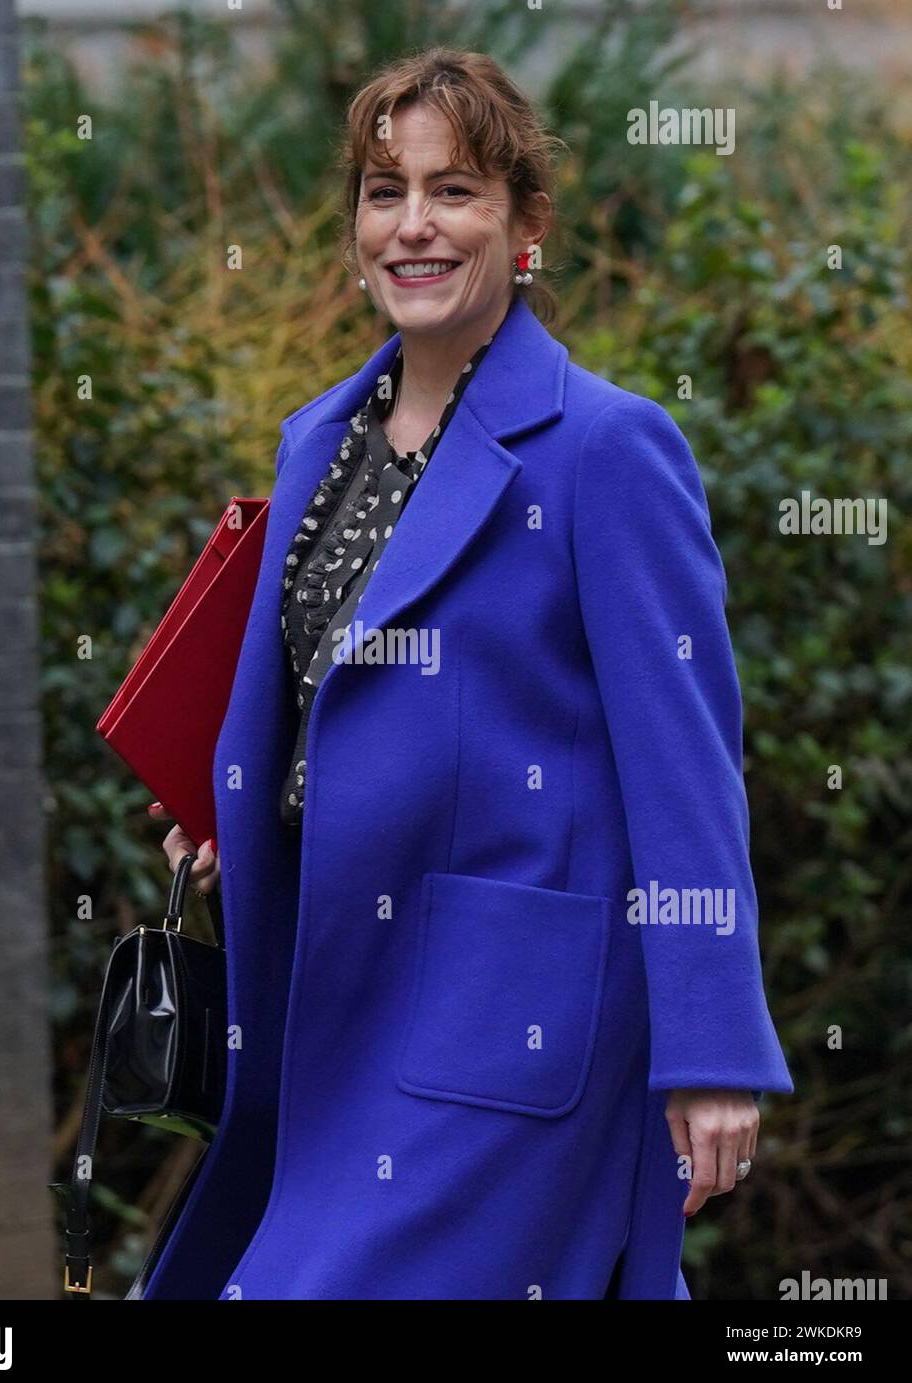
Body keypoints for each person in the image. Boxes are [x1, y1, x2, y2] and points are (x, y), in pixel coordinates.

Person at [141, 46, 793, 1301]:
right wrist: (240, 813)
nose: (414, 225)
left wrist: (713, 1049)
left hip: (508, 1028)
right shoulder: (316, 442)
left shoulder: (607, 446)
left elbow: (686, 769)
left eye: (456, 192)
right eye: (384, 192)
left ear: (526, 225)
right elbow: (318, 701)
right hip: (333, 1000)